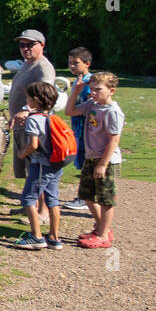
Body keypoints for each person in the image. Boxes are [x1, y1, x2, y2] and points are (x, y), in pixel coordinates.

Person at [71, 72, 125, 248]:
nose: (93, 92)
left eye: (98, 89)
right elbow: (70, 111)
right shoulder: (91, 105)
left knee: (105, 199)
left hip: (106, 161)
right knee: (87, 195)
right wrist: (76, 92)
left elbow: (114, 140)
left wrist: (103, 164)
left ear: (111, 91)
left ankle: (103, 235)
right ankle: (102, 227)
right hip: (90, 156)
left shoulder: (112, 112)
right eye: (91, 89)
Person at [11, 82, 62, 250]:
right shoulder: (52, 117)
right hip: (56, 165)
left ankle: (37, 236)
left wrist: (22, 153)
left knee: (28, 199)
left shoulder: (33, 120)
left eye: (28, 98)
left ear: (35, 100)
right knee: (53, 199)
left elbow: (33, 144)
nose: (26, 101)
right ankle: (54, 237)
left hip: (40, 165)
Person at [8, 29, 55, 182]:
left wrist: (27, 111)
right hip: (22, 124)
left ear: (42, 45)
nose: (25, 48)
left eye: (30, 44)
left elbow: (46, 95)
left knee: (35, 167)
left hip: (33, 124)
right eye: (22, 45)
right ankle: (31, 202)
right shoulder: (28, 64)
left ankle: (37, 203)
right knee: (27, 167)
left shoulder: (43, 67)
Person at [62, 47, 94, 213]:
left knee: (85, 163)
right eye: (70, 63)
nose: (72, 66)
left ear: (87, 64)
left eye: (76, 63)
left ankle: (84, 197)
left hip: (85, 130)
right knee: (81, 161)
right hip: (77, 128)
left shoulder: (89, 83)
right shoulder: (78, 81)